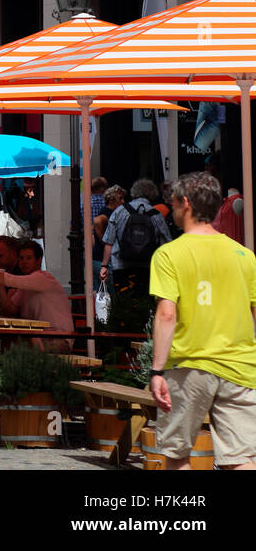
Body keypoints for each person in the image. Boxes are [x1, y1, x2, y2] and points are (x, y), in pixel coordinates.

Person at [149, 171, 256, 470]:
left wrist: (157, 370)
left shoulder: (169, 254)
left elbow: (167, 314)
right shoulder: (244, 256)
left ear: (185, 203)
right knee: (241, 459)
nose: (170, 207)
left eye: (172, 201)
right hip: (241, 368)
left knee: (178, 455)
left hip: (189, 365)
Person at [0, 239, 74, 352]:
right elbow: (8, 310)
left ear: (39, 261)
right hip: (39, 336)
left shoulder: (43, 278)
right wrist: (0, 284)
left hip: (59, 339)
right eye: (21, 258)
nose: (24, 262)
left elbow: (10, 279)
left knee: (3, 345)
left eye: (29, 258)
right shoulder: (24, 287)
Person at [101, 178, 171, 296]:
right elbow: (166, 242)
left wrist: (104, 265)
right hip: (147, 265)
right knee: (144, 300)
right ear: (152, 194)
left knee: (124, 301)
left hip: (121, 265)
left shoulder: (119, 211)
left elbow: (109, 241)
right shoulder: (156, 214)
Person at [92, 184, 126, 265]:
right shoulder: (108, 213)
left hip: (101, 258)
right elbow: (97, 221)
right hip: (102, 259)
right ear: (111, 200)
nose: (123, 202)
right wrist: (106, 242)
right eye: (120, 198)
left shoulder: (112, 212)